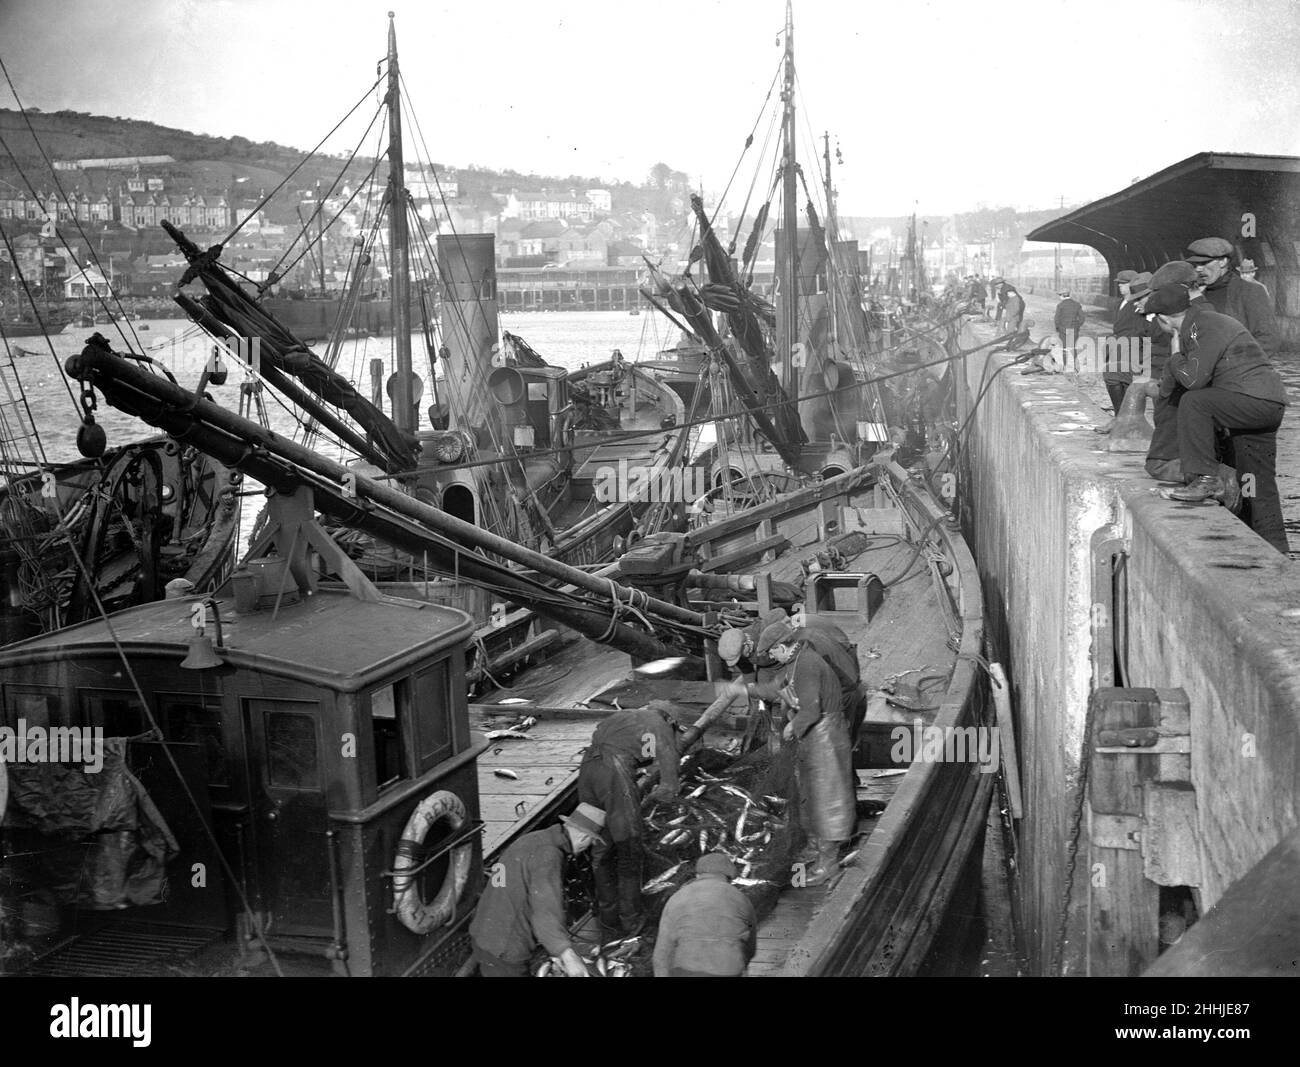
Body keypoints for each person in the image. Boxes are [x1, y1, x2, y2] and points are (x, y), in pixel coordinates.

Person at [1142, 284, 1288, 552]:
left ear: (1164, 319)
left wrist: (1175, 355)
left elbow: (1193, 380)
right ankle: (1274, 548)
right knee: (1254, 482)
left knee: (1195, 402)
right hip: (1267, 404)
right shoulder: (1208, 322)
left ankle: (1205, 479)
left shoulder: (1200, 327)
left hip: (1251, 402)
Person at [727, 622, 855, 884]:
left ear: (783, 647)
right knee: (811, 793)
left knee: (828, 798)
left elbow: (811, 711)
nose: (771, 658)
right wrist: (743, 689)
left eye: (773, 653)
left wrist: (791, 729)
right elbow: (775, 689)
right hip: (815, 737)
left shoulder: (807, 664)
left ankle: (828, 864)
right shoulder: (794, 663)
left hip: (826, 736)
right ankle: (818, 847)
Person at [577, 704, 681, 937]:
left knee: (599, 848)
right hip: (613, 771)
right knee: (629, 848)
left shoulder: (624, 716)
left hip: (587, 769)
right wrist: (663, 792)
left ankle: (607, 918)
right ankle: (631, 922)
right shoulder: (659, 724)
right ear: (670, 720)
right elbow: (668, 759)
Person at [469, 803, 606, 977]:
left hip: (483, 932)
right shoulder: (549, 856)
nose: (588, 847)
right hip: (505, 947)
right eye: (591, 842)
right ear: (584, 838)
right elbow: (546, 912)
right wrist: (567, 955)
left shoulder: (533, 839)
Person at [652, 852, 757, 977]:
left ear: (697, 875)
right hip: (728, 969)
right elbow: (750, 946)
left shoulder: (677, 898)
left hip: (686, 969)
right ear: (729, 877)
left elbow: (662, 953)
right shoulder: (740, 898)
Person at [1183, 237, 1279, 357]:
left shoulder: (1250, 291)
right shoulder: (1196, 295)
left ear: (1223, 261)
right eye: (1196, 264)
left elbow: (1268, 340)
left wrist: (1233, 363)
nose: (1199, 269)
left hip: (1237, 371)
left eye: (1204, 263)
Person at [1102, 270, 1141, 414]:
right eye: (1119, 284)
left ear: (1133, 285)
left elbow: (1139, 328)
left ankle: (1123, 414)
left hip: (1129, 346)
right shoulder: (1120, 303)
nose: (1120, 287)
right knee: (1114, 376)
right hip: (1117, 345)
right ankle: (1121, 411)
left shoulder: (1137, 304)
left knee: (1122, 378)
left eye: (1124, 284)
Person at [1054, 289, 1085, 357]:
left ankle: (1065, 364)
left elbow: (1056, 319)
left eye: (1060, 295)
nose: (1059, 297)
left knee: (1064, 349)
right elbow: (1082, 317)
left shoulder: (1060, 305)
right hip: (1074, 330)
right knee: (1072, 348)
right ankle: (1073, 364)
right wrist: (1078, 325)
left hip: (1063, 330)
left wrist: (1058, 328)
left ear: (1062, 296)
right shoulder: (1077, 304)